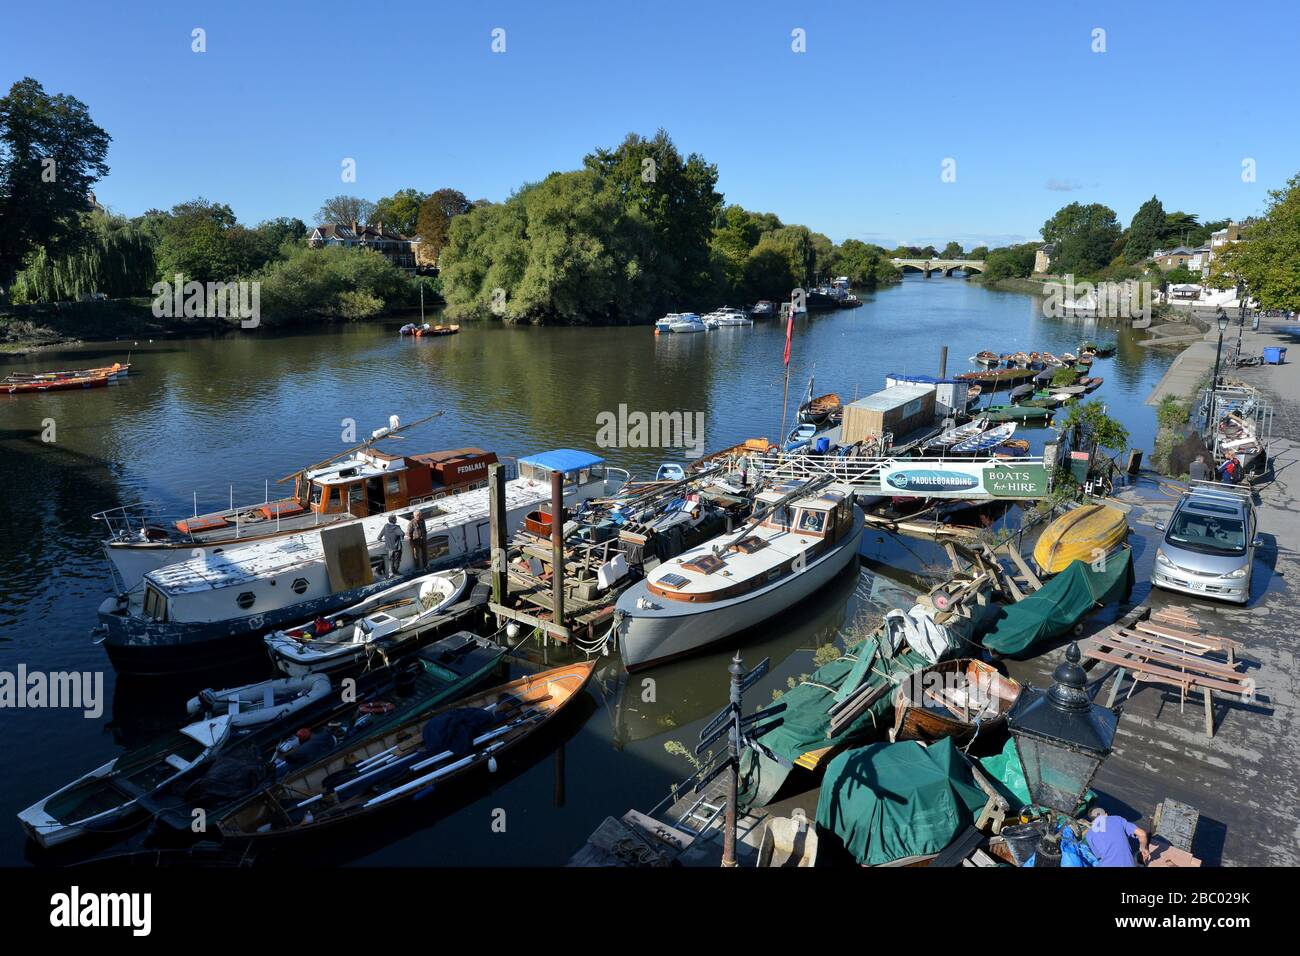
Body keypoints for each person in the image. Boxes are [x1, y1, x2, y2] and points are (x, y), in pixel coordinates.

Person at [1084, 807, 1151, 867]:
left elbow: (1099, 856)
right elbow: (1142, 834)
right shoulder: (1118, 819)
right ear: (1106, 814)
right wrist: (1143, 848)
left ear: (1093, 821)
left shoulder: (1089, 835)